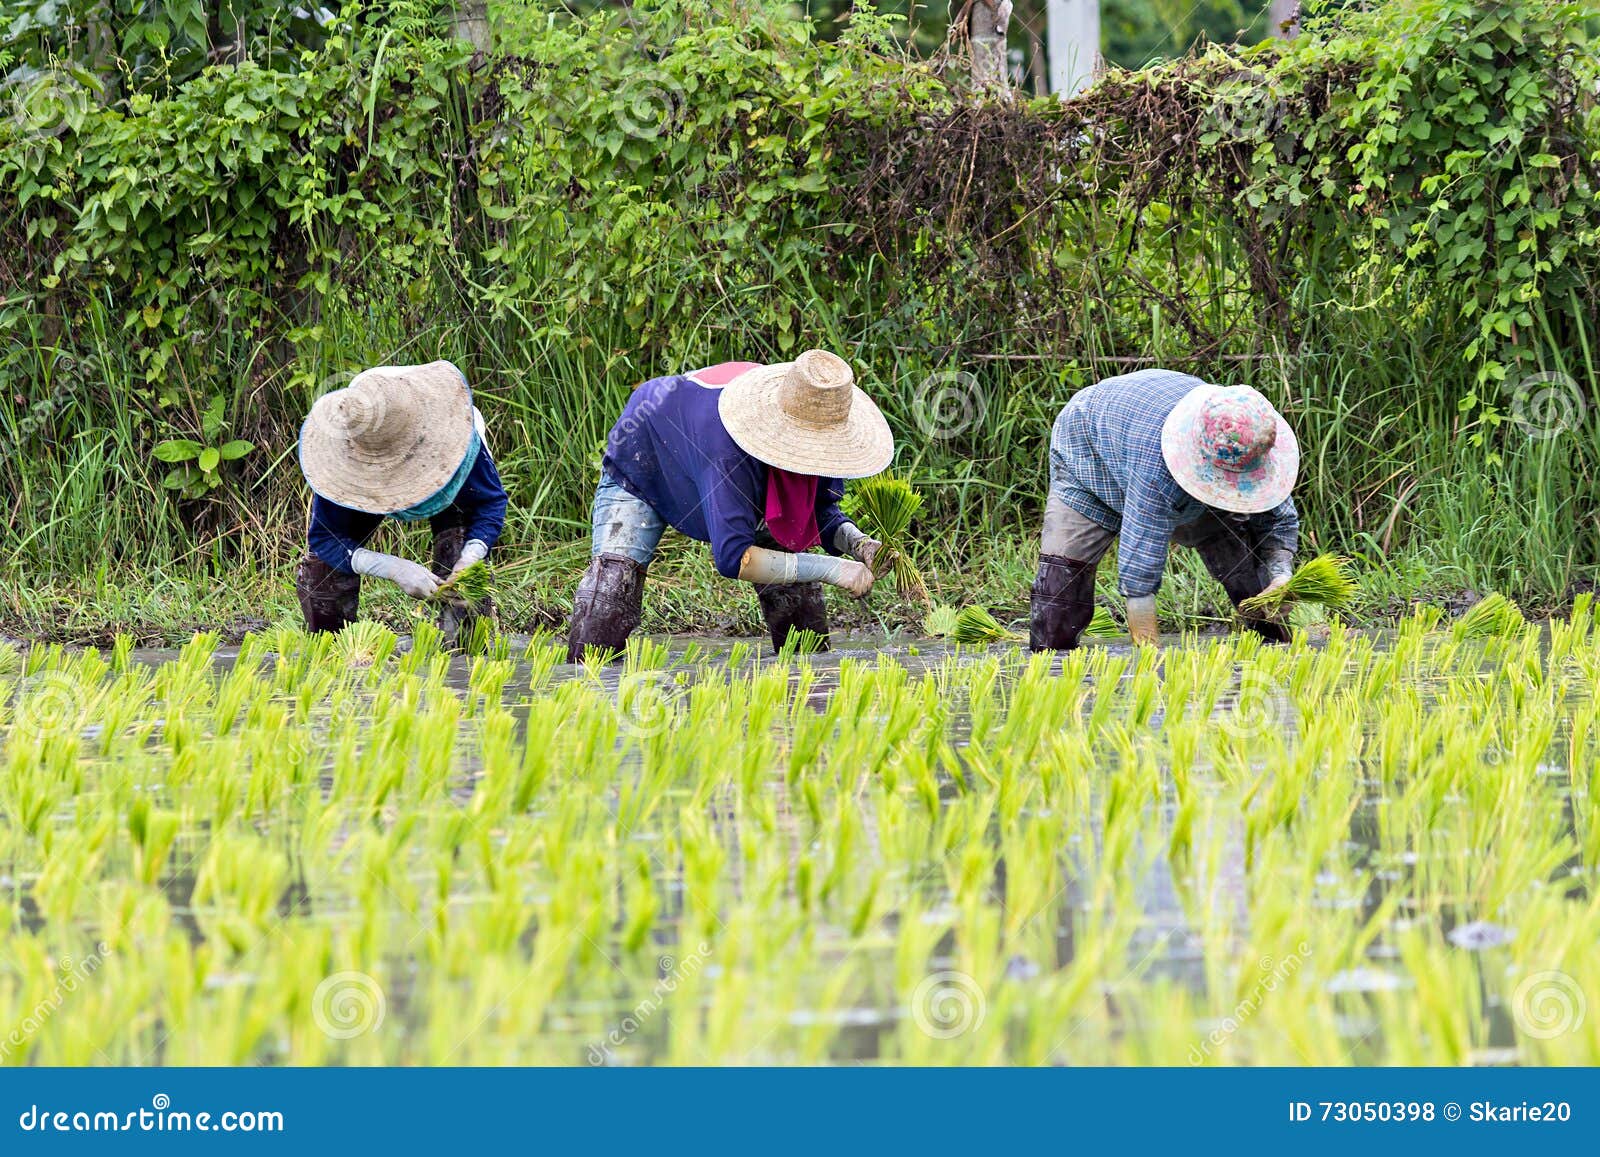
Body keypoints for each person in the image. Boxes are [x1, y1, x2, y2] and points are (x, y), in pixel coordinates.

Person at [568, 349, 893, 661]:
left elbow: (821, 512)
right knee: (610, 595)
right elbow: (734, 558)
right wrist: (835, 570)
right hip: (647, 452)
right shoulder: (731, 451)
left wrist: (859, 544)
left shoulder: (818, 441)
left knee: (802, 634)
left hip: (723, 460)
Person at [1032, 369, 1299, 651]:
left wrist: (1281, 576)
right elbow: (1140, 561)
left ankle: (1275, 644)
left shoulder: (1251, 436)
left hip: (1172, 452)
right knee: (1062, 584)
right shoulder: (1156, 466)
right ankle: (1051, 661)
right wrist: (1149, 657)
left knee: (1241, 560)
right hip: (1088, 450)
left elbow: (1277, 519)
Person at [295, 360, 507, 638]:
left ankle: (463, 657)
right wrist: (392, 568)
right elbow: (325, 539)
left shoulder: (457, 443)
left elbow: (490, 504)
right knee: (322, 572)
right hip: (363, 474)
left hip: (442, 473)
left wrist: (470, 558)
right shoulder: (346, 454)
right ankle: (329, 646)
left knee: (461, 573)